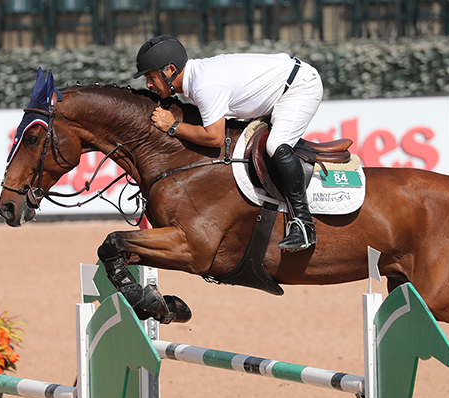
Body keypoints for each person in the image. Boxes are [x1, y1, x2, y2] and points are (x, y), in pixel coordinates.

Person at [133, 35, 323, 252]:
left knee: (276, 146)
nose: (148, 84)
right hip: (277, 88)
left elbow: (214, 138)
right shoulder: (195, 81)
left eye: (151, 76)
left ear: (171, 70)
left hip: (299, 88)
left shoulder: (204, 86)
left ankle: (304, 225)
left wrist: (172, 126)